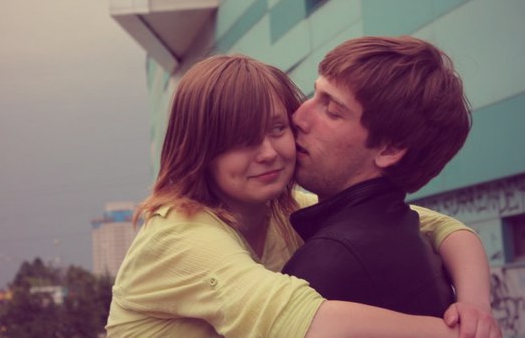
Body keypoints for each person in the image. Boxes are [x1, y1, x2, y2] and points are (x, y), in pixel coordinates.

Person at [106, 54, 497, 338]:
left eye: (277, 128)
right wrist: (448, 333)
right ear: (200, 150)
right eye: (241, 139)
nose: (267, 152)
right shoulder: (180, 235)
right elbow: (301, 320)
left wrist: (475, 306)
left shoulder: (279, 212)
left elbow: (443, 226)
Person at [282, 36, 473, 319]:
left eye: (332, 111)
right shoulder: (408, 238)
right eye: (314, 94)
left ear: (390, 149)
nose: (299, 116)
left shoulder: (333, 260)